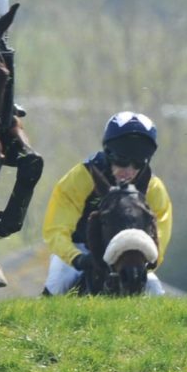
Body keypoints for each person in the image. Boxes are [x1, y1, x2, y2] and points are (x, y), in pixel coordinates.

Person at [42, 111, 174, 295]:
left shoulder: (153, 188)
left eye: (137, 163)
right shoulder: (82, 177)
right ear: (108, 153)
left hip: (131, 254)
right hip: (80, 248)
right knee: (59, 281)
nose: (128, 171)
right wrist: (78, 259)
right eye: (122, 160)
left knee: (155, 290)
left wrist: (149, 260)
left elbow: (160, 233)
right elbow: (55, 228)